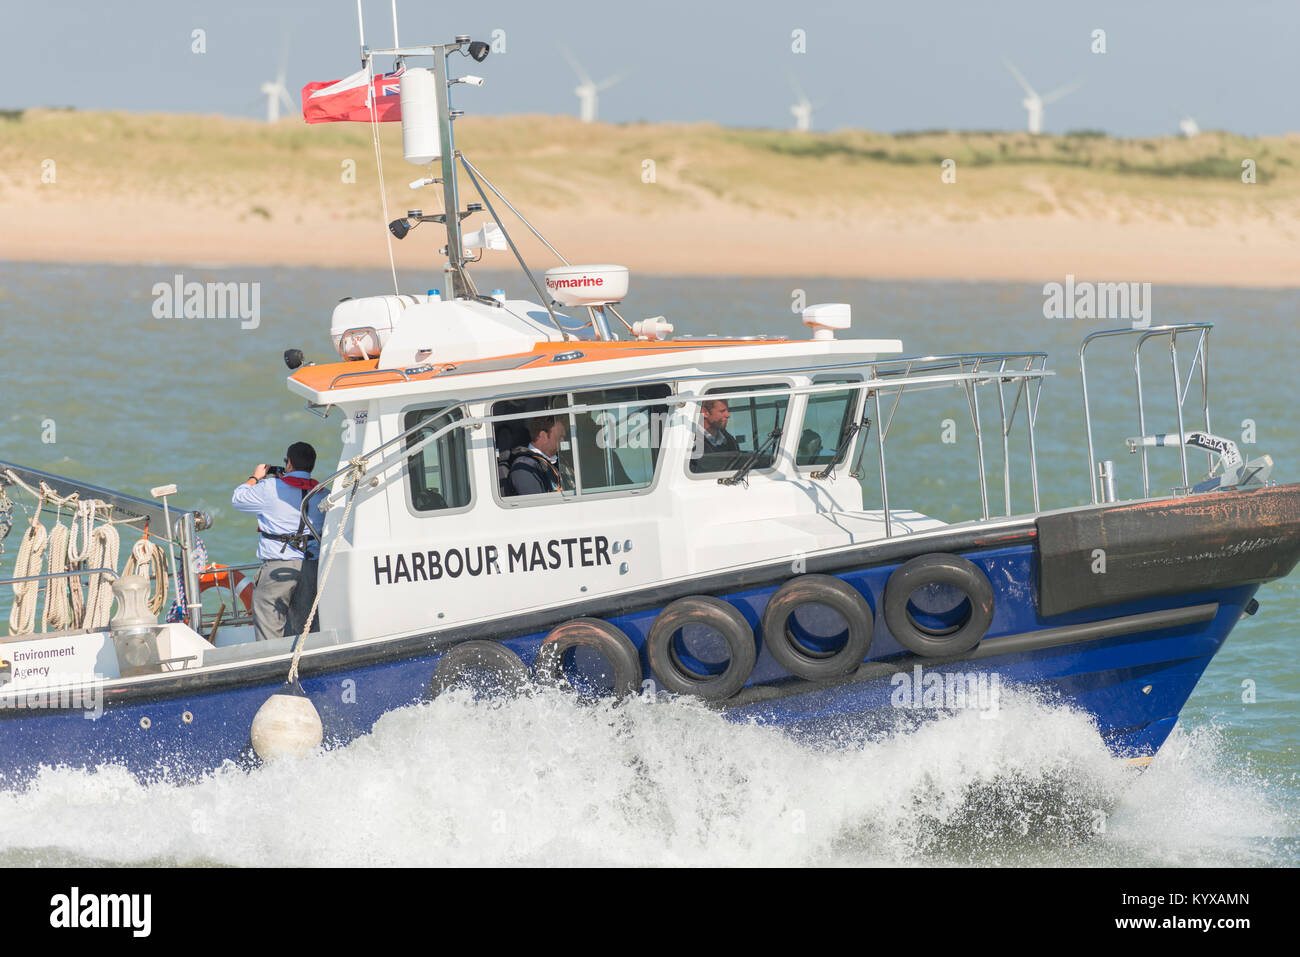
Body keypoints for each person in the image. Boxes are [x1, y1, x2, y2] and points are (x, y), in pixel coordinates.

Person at [231, 441, 325, 642]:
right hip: (311, 567)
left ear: (289, 463)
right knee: (307, 629)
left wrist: (255, 477)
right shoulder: (322, 492)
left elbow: (238, 499)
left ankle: (275, 669)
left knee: (269, 629)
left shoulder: (269, 487)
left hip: (277, 568)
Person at [505, 416, 572, 495]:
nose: (562, 441)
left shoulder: (557, 461)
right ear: (543, 435)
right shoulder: (524, 467)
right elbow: (536, 504)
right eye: (559, 437)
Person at [689, 398, 741, 472]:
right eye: (722, 411)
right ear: (705, 412)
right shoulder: (690, 442)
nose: (728, 415)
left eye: (727, 411)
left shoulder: (730, 441)